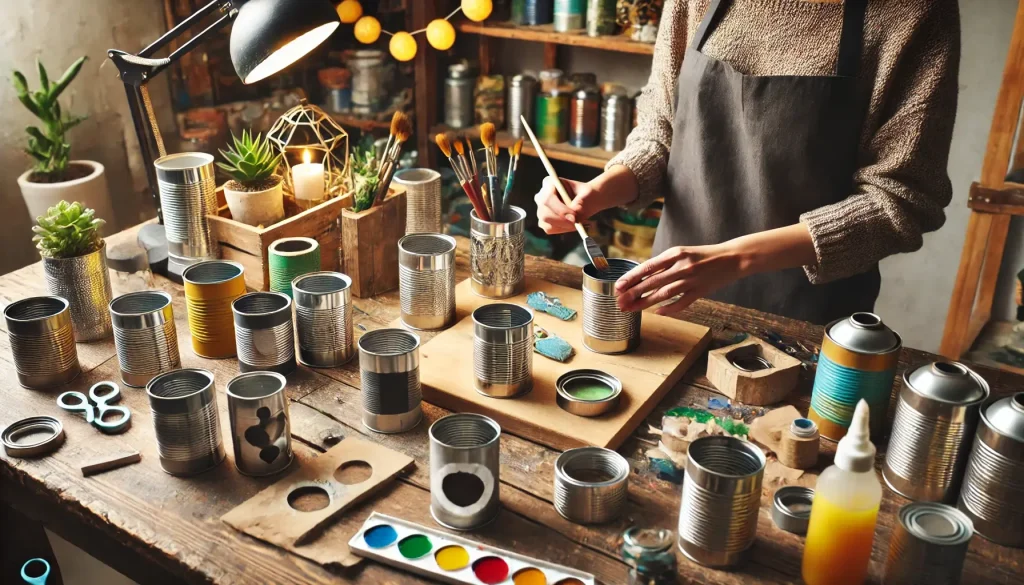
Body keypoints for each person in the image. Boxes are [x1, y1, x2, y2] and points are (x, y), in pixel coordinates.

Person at [534, 0, 960, 324]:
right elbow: (662, 126)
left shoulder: (915, 12)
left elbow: (902, 199)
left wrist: (735, 259)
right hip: (674, 299)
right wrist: (602, 189)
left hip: (801, 321)